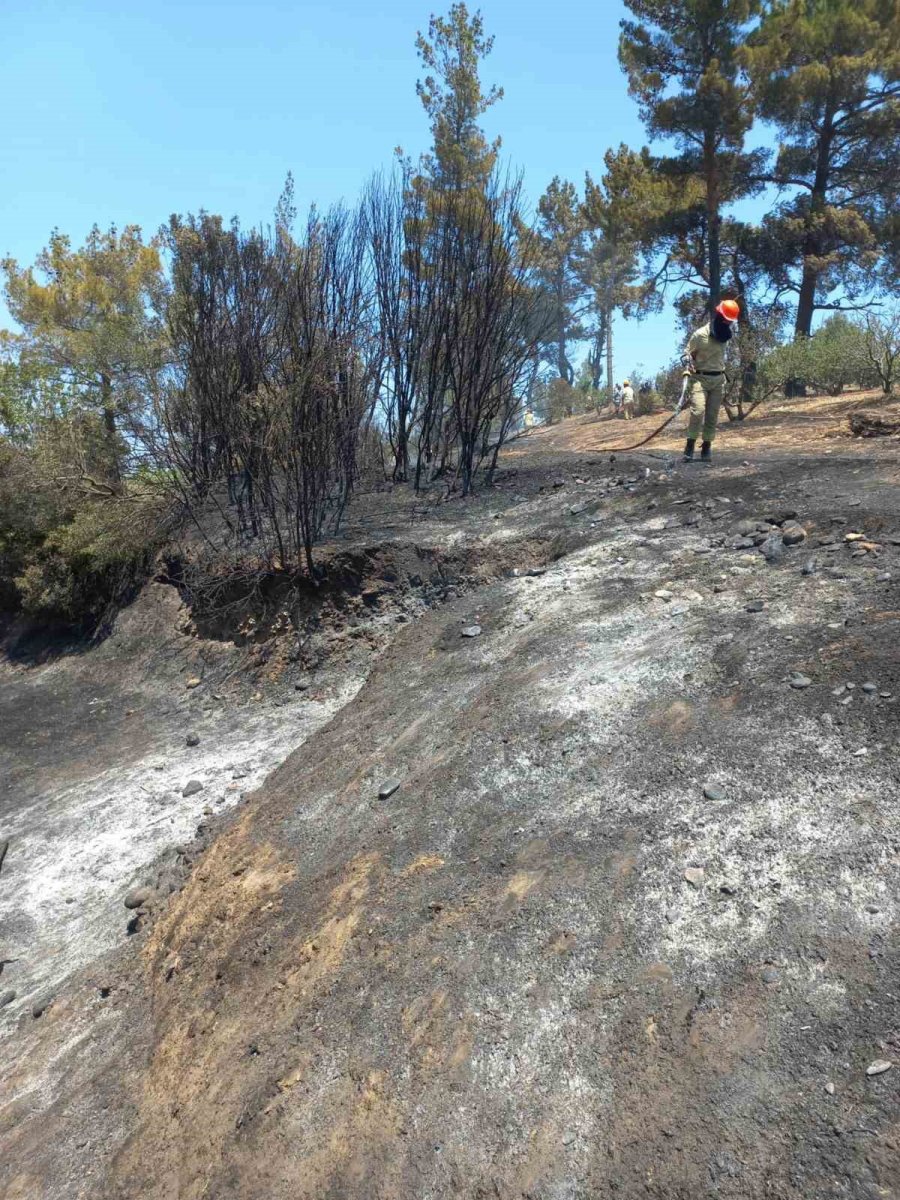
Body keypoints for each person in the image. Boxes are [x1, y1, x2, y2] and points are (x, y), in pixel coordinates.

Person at [682, 299, 740, 463]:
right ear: (720, 315)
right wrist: (688, 363)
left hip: (718, 380)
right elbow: (687, 353)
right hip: (700, 379)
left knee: (712, 416)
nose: (729, 322)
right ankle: (690, 445)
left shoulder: (725, 335)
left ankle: (706, 446)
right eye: (728, 318)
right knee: (698, 411)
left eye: (731, 320)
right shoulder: (699, 335)